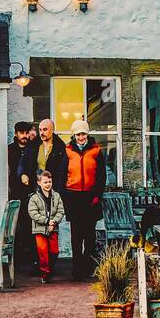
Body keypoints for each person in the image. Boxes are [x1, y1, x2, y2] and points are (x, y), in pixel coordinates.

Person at [63, 119, 105, 280]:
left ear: (87, 134)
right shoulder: (68, 151)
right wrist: (65, 198)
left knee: (89, 236)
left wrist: (97, 196)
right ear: (74, 136)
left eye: (83, 134)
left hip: (90, 198)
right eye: (78, 134)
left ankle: (88, 267)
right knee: (76, 236)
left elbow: (101, 176)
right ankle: (76, 269)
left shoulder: (96, 151)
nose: (81, 137)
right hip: (73, 197)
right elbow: (62, 175)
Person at [26, 169, 66, 282]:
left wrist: (54, 222)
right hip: (39, 229)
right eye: (45, 182)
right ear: (39, 183)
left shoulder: (56, 196)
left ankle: (50, 268)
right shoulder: (34, 198)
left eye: (49, 181)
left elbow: (61, 211)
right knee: (43, 252)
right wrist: (46, 221)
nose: (48, 184)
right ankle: (45, 274)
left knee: (54, 251)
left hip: (53, 228)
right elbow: (32, 213)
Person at [7, 121, 37, 258]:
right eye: (21, 133)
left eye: (26, 133)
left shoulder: (34, 149)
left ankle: (29, 257)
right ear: (16, 134)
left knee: (30, 224)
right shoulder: (10, 149)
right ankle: (17, 256)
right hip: (14, 191)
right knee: (15, 224)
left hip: (31, 192)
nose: (24, 136)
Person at [19, 118, 68, 191]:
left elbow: (63, 172)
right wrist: (22, 174)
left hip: (53, 188)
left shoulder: (60, 148)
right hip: (35, 186)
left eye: (45, 129)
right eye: (40, 130)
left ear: (52, 130)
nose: (42, 133)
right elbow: (23, 162)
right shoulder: (33, 145)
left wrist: (58, 191)